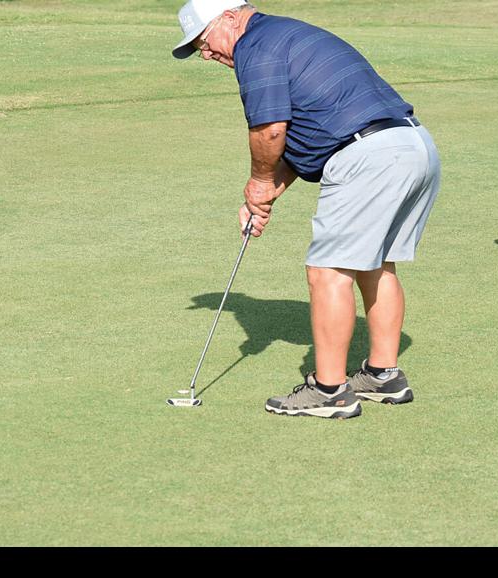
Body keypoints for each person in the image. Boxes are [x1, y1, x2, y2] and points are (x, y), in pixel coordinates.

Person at [173, 0, 441, 420]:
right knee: (376, 264)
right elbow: (311, 140)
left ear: (230, 18)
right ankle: (382, 375)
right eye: (197, 50)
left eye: (204, 42)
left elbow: (270, 131)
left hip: (369, 156)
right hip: (412, 146)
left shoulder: (254, 48)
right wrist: (264, 196)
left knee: (327, 271)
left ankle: (330, 391)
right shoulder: (285, 34)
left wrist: (259, 182)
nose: (206, 55)